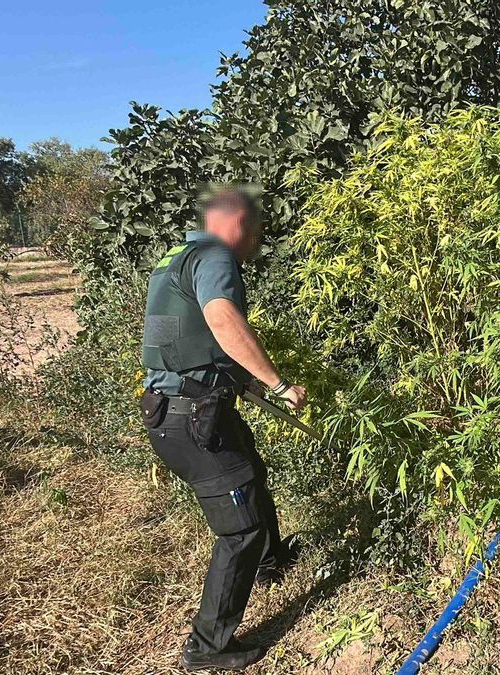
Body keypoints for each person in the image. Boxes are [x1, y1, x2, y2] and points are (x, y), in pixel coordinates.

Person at [139, 186, 307, 671]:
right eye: (254, 232)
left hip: (176, 407)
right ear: (235, 224)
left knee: (251, 472)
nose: (255, 243)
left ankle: (272, 563)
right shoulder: (215, 255)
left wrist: (216, 376)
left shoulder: (176, 256)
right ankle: (207, 648)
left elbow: (170, 336)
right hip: (190, 418)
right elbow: (222, 318)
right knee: (240, 530)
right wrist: (277, 383)